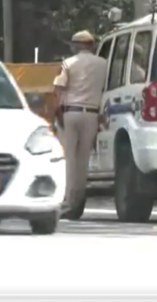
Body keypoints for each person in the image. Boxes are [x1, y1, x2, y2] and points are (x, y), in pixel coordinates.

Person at [53, 30, 108, 217]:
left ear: (75, 46)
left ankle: (67, 202)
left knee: (69, 160)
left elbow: (59, 88)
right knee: (83, 162)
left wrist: (57, 112)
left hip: (71, 112)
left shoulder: (68, 63)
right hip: (92, 114)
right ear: (92, 45)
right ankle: (78, 202)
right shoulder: (104, 64)